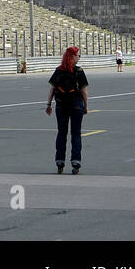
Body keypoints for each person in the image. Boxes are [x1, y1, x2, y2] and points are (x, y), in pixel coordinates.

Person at [45, 46, 89, 174]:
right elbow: (84, 91)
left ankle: (60, 161)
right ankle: (76, 162)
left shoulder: (58, 70)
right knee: (76, 134)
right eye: (78, 56)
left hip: (61, 105)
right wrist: (86, 106)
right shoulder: (79, 71)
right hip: (76, 105)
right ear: (73, 57)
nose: (79, 58)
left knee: (61, 133)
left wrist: (48, 104)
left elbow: (52, 89)